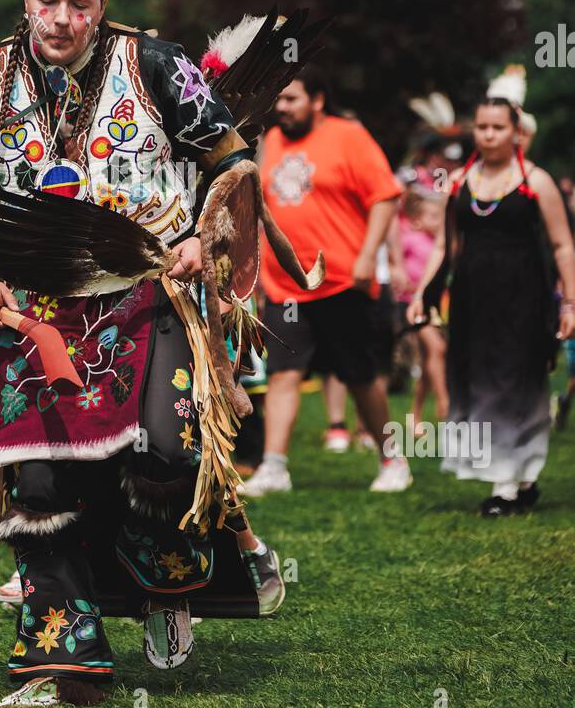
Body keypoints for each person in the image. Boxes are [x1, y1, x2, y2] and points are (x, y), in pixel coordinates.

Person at [0, 0, 310, 707]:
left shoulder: (159, 67)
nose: (60, 19)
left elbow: (233, 163)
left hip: (150, 285)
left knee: (158, 451)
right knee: (35, 478)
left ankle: (166, 580)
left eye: (77, 5)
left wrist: (199, 239)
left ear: (99, 8)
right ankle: (64, 661)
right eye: (47, 1)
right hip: (38, 301)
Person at [243, 67, 412, 496]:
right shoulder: (272, 142)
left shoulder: (348, 135)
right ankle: (274, 466)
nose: (282, 108)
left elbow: (385, 196)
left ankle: (392, 459)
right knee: (283, 373)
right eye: (279, 100)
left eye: (292, 99)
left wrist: (368, 255)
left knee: (361, 376)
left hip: (342, 280)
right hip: (287, 286)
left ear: (318, 100)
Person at [407, 96, 575, 515]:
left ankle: (506, 485)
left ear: (516, 132)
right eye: (481, 127)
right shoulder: (462, 184)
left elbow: (563, 245)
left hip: (525, 299)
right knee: (479, 381)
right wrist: (420, 294)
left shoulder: (535, 182)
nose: (488, 134)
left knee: (517, 383)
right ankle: (522, 476)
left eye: (498, 127)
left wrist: (570, 303)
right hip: (472, 298)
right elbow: (445, 245)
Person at [397, 187, 449, 423]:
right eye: (433, 217)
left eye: (440, 217)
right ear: (417, 221)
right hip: (411, 305)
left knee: (431, 360)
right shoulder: (409, 239)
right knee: (437, 349)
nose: (438, 222)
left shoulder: (444, 245)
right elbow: (393, 262)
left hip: (437, 307)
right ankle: (444, 403)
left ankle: (415, 415)